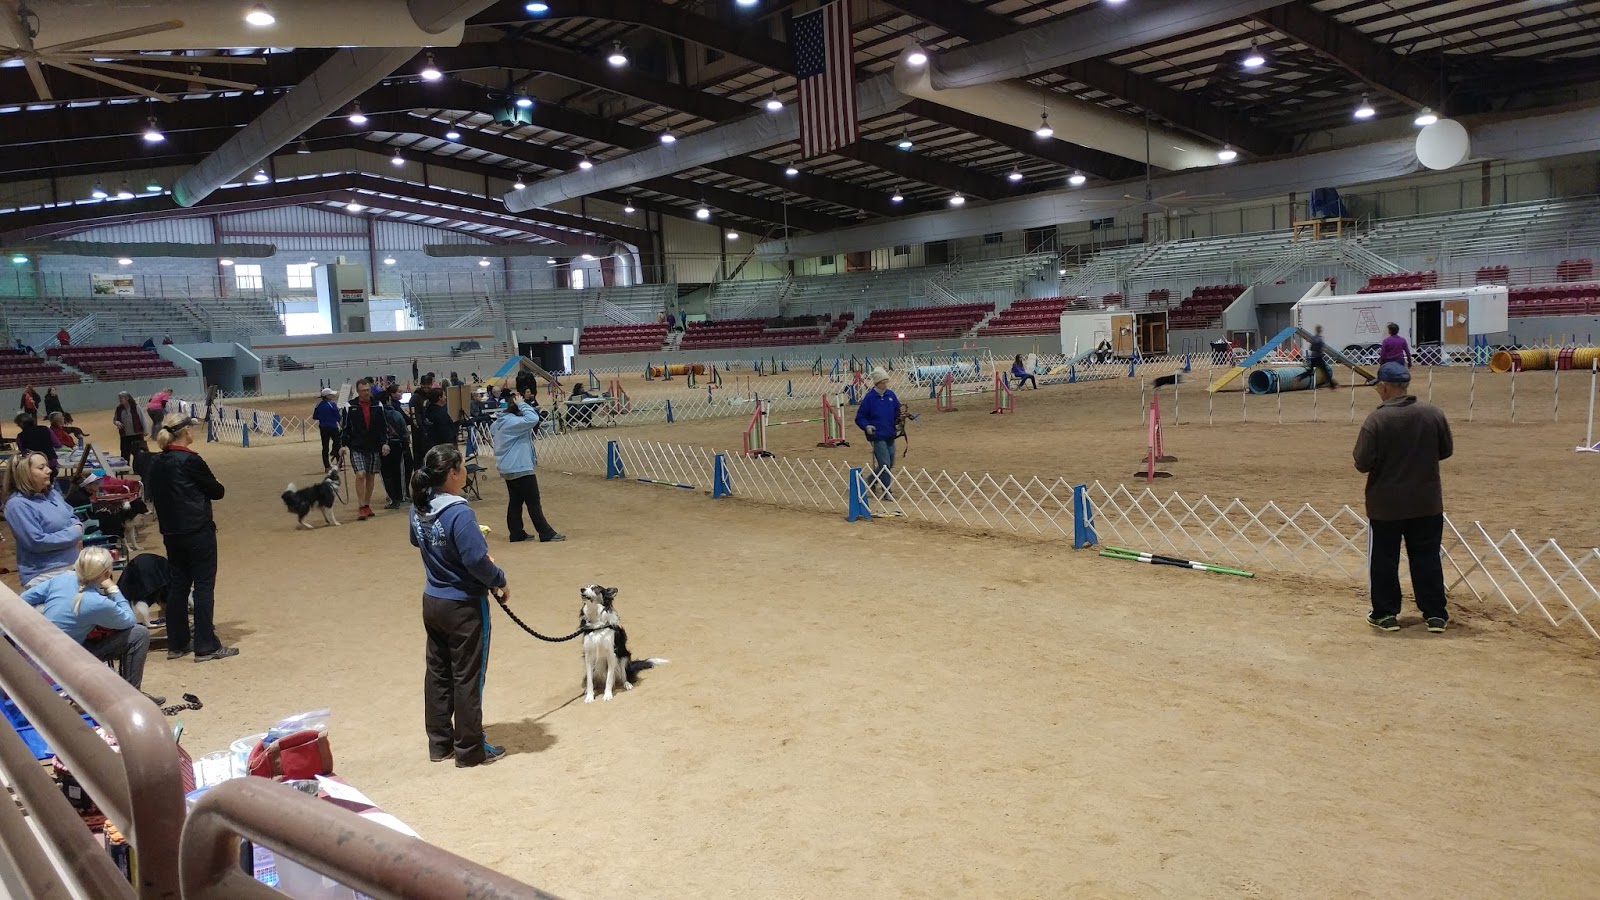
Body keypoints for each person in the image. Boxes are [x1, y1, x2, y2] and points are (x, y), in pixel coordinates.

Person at [409, 444, 508, 768]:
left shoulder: (420, 505)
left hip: (433, 600)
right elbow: (475, 561)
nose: (466, 471)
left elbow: (417, 539)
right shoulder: (459, 512)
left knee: (438, 673)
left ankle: (440, 743)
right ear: (452, 473)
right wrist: (498, 577)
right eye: (462, 466)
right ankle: (470, 749)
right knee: (468, 676)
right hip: (463, 605)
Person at [1354, 362, 1454, 634]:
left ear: (1383, 386)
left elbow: (1361, 462)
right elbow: (1446, 451)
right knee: (1427, 558)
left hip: (1386, 506)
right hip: (1427, 502)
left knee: (1384, 560)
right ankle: (1435, 614)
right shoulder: (1433, 413)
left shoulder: (1376, 420)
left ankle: (1385, 614)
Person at [147, 416, 237, 661]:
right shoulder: (191, 460)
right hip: (197, 530)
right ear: (185, 431)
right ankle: (206, 644)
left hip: (171, 532)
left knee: (178, 585)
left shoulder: (157, 462)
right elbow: (217, 491)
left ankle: (177, 643)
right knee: (204, 586)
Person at [22, 548, 162, 704]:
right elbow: (129, 620)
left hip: (39, 650)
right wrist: (113, 589)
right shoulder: (96, 602)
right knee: (139, 633)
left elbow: (24, 598)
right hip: (65, 661)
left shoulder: (62, 578)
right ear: (107, 572)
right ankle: (133, 697)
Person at [491, 389, 564, 544]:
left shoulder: (500, 422)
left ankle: (516, 533)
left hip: (508, 468)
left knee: (515, 502)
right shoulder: (513, 422)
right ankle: (545, 533)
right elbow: (533, 418)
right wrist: (522, 404)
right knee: (533, 502)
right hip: (520, 468)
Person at [3, 451, 81, 587]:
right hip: (45, 573)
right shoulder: (17, 505)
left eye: (47, 466)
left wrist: (76, 527)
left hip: (72, 564)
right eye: (41, 468)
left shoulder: (52, 493)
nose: (49, 470)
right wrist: (74, 533)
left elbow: (72, 516)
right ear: (25, 474)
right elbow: (36, 542)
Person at [339, 377, 387, 521]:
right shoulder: (349, 406)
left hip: (374, 446)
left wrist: (385, 442)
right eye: (363, 391)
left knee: (371, 476)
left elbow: (383, 426)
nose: (366, 393)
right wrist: (342, 445)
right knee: (361, 474)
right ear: (358, 391)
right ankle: (361, 507)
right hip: (356, 446)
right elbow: (345, 428)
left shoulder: (377, 405)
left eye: (368, 390)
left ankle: (367, 505)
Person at [854, 368, 902, 500]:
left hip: (890, 434)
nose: (885, 384)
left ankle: (871, 478)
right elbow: (860, 417)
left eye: (886, 381)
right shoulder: (869, 398)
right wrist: (866, 426)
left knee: (890, 463)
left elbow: (898, 411)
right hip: (877, 436)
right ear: (877, 383)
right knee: (885, 464)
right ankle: (887, 492)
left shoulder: (891, 395)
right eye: (883, 382)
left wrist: (900, 418)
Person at [380, 385, 412, 510]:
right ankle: (402, 496)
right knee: (400, 472)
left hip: (383, 446)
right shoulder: (395, 413)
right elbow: (403, 430)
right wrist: (405, 443)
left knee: (387, 474)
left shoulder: (378, 415)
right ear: (389, 398)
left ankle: (393, 498)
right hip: (398, 445)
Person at [312, 387, 343, 470]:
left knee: (325, 447)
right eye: (331, 394)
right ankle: (339, 464)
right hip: (333, 427)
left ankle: (327, 466)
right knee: (337, 444)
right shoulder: (332, 404)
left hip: (323, 428)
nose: (333, 395)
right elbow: (338, 417)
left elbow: (314, 416)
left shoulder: (318, 405)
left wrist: (323, 418)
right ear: (327, 396)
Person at [112, 391, 147, 460]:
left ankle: (137, 469)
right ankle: (125, 469)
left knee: (138, 453)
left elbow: (143, 418)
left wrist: (145, 430)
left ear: (127, 398)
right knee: (125, 452)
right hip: (125, 435)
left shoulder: (136, 407)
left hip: (137, 434)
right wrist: (117, 422)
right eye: (119, 398)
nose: (120, 399)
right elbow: (115, 419)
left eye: (121, 398)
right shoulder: (119, 408)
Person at [1303, 324, 1336, 389]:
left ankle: (1299, 377)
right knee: (1325, 371)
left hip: (1312, 357)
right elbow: (1321, 348)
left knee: (1311, 371)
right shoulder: (1320, 339)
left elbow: (1311, 348)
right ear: (1320, 331)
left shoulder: (1313, 338)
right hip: (1318, 357)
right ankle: (1332, 385)